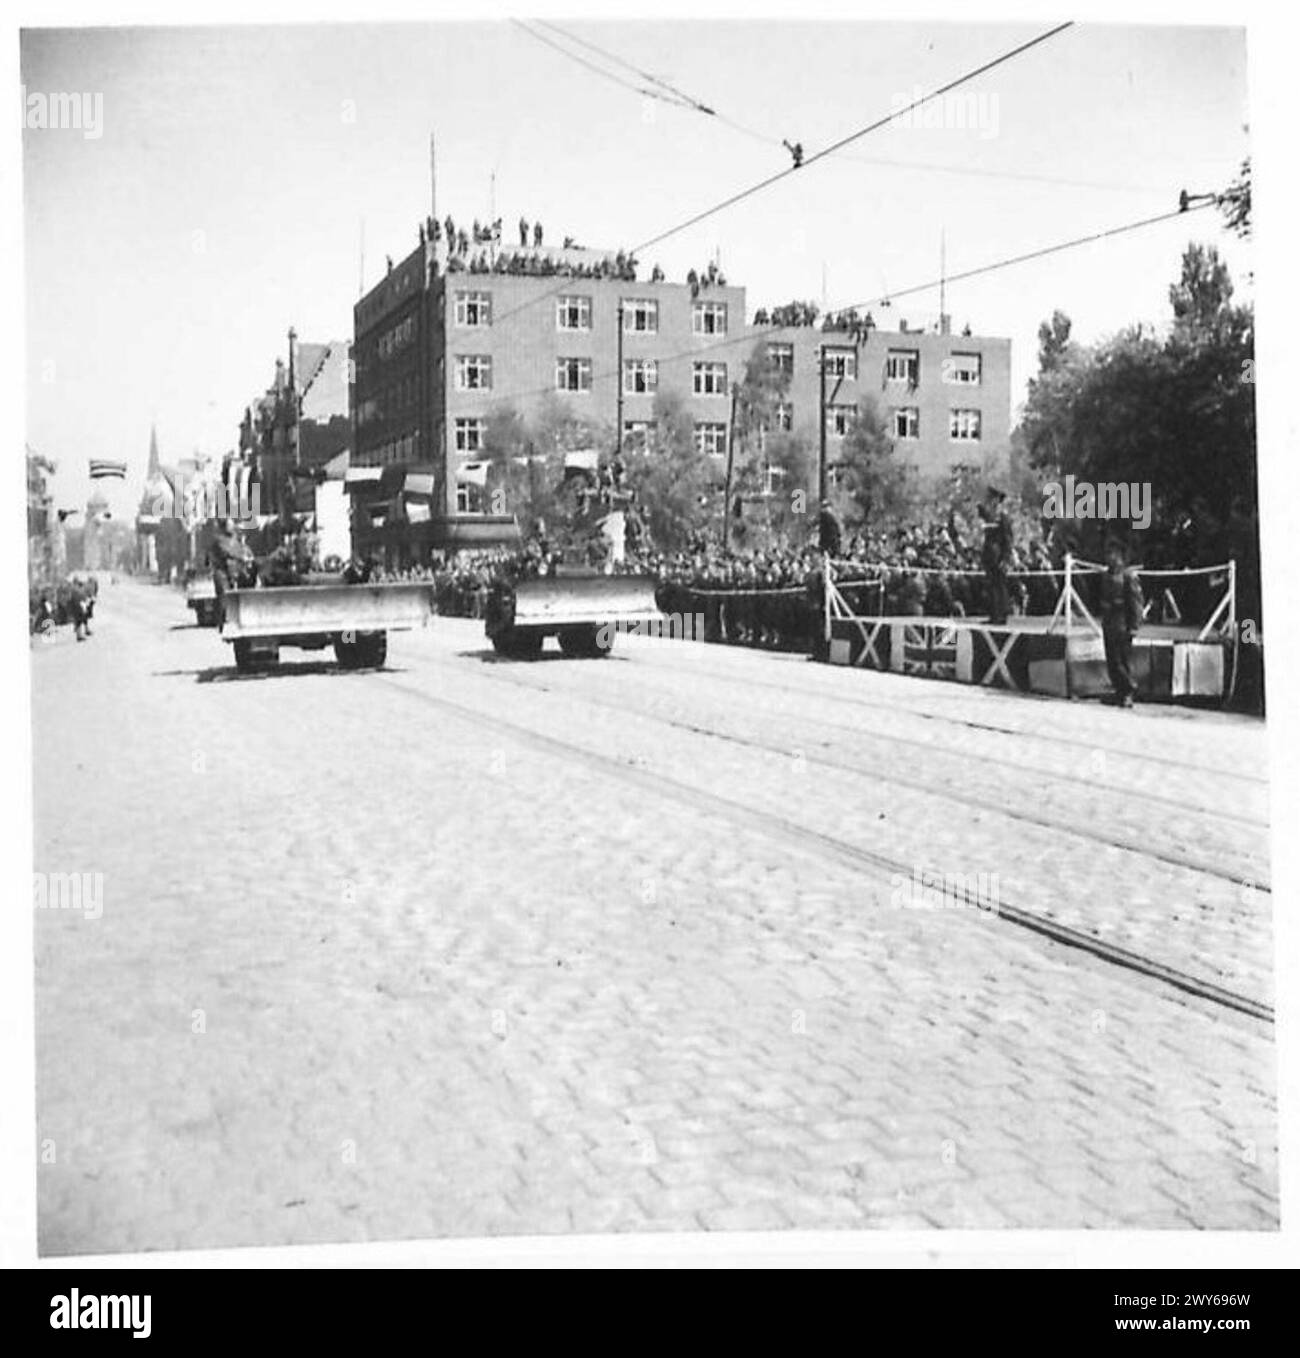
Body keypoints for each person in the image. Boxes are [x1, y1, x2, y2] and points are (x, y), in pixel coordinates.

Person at [1097, 539, 1144, 707]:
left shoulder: (1128, 576)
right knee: (1111, 660)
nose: (1109, 557)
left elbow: (1136, 603)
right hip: (1109, 622)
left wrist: (1134, 626)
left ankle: (1128, 691)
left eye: (1112, 554)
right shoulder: (1106, 575)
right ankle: (1118, 690)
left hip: (1122, 623)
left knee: (1122, 660)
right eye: (1108, 553)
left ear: (1119, 556)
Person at [977, 485, 1013, 625]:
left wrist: (1006, 558)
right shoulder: (991, 515)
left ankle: (1001, 615)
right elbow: (983, 516)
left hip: (998, 554)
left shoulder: (1002, 516)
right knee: (992, 585)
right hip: (990, 555)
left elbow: (1008, 539)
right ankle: (994, 614)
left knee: (999, 585)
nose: (990, 501)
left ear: (997, 500)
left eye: (992, 498)